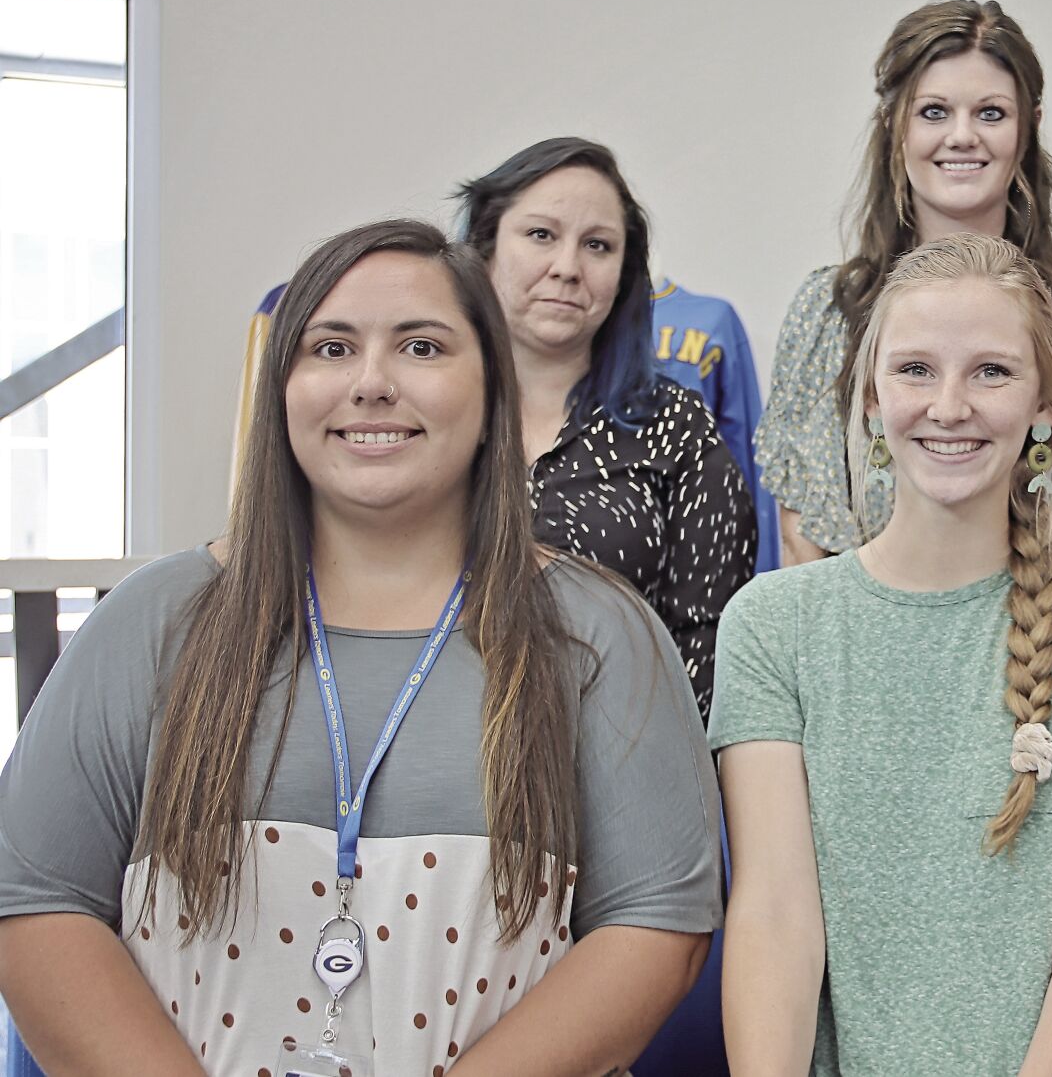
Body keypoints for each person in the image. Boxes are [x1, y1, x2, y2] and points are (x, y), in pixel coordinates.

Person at [0, 220, 724, 1075]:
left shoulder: (599, 634)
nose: (372, 383)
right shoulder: (153, 620)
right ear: (282, 392)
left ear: (494, 394)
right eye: (331, 348)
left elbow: (657, 926)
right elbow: (36, 903)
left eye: (421, 347)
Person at [711, 233, 1052, 1075]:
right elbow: (774, 918)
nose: (949, 406)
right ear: (870, 403)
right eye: (915, 370)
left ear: (1044, 406)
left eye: (991, 371)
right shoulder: (772, 624)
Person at [756, 0, 1052, 565]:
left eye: (990, 113)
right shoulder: (827, 313)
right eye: (934, 112)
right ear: (894, 126)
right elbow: (806, 552)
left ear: (1028, 127)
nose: (962, 136)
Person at [459, 137, 756, 720]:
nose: (567, 268)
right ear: (485, 248)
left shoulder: (677, 427)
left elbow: (710, 640)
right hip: (429, 760)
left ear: (625, 274)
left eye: (597, 245)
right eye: (541, 235)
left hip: (615, 767)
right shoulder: (421, 417)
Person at [650, 273, 781, 573]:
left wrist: (761, 574)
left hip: (699, 533)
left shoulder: (711, 318)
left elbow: (745, 442)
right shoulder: (584, 322)